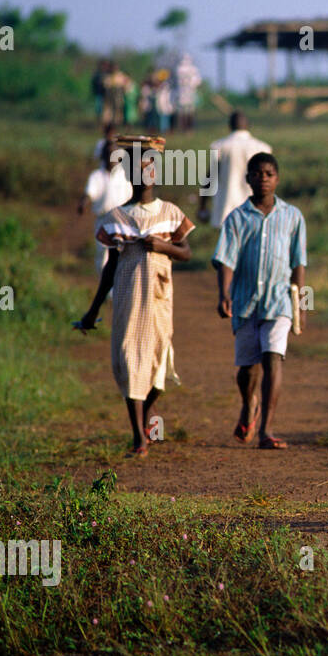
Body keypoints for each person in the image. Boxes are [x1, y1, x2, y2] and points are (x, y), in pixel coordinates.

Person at [76, 135, 194, 457]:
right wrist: (92, 310)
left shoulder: (169, 212)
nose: (144, 173)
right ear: (128, 174)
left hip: (158, 301)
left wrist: (165, 247)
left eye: (148, 166)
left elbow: (186, 252)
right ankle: (138, 437)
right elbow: (110, 268)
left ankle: (145, 417)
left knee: (157, 367)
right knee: (130, 361)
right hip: (127, 301)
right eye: (136, 168)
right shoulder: (116, 219)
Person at [212, 152, 307, 450]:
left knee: (272, 358)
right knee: (247, 368)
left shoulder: (293, 216)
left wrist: (299, 303)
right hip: (245, 302)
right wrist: (224, 293)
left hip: (279, 301)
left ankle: (267, 429)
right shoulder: (237, 218)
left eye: (269, 173)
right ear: (248, 178)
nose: (263, 178)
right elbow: (226, 259)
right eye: (257, 173)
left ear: (277, 179)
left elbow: (298, 263)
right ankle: (247, 405)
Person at [202, 112, 272, 227]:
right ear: (249, 126)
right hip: (255, 207)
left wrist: (203, 206)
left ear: (230, 126)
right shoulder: (262, 148)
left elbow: (210, 178)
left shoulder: (220, 146)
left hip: (226, 206)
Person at [77, 137, 133, 272]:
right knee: (103, 253)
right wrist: (83, 203)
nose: (110, 157)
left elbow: (131, 196)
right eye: (107, 153)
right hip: (104, 219)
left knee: (122, 253)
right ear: (103, 156)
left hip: (122, 219)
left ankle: (116, 288)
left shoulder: (123, 175)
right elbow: (89, 193)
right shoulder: (97, 176)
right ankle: (106, 288)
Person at [175, 53, 201, 132]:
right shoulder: (192, 69)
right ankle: (186, 128)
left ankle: (187, 128)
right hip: (185, 93)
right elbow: (197, 81)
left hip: (187, 93)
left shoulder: (179, 69)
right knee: (186, 111)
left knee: (186, 111)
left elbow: (196, 81)